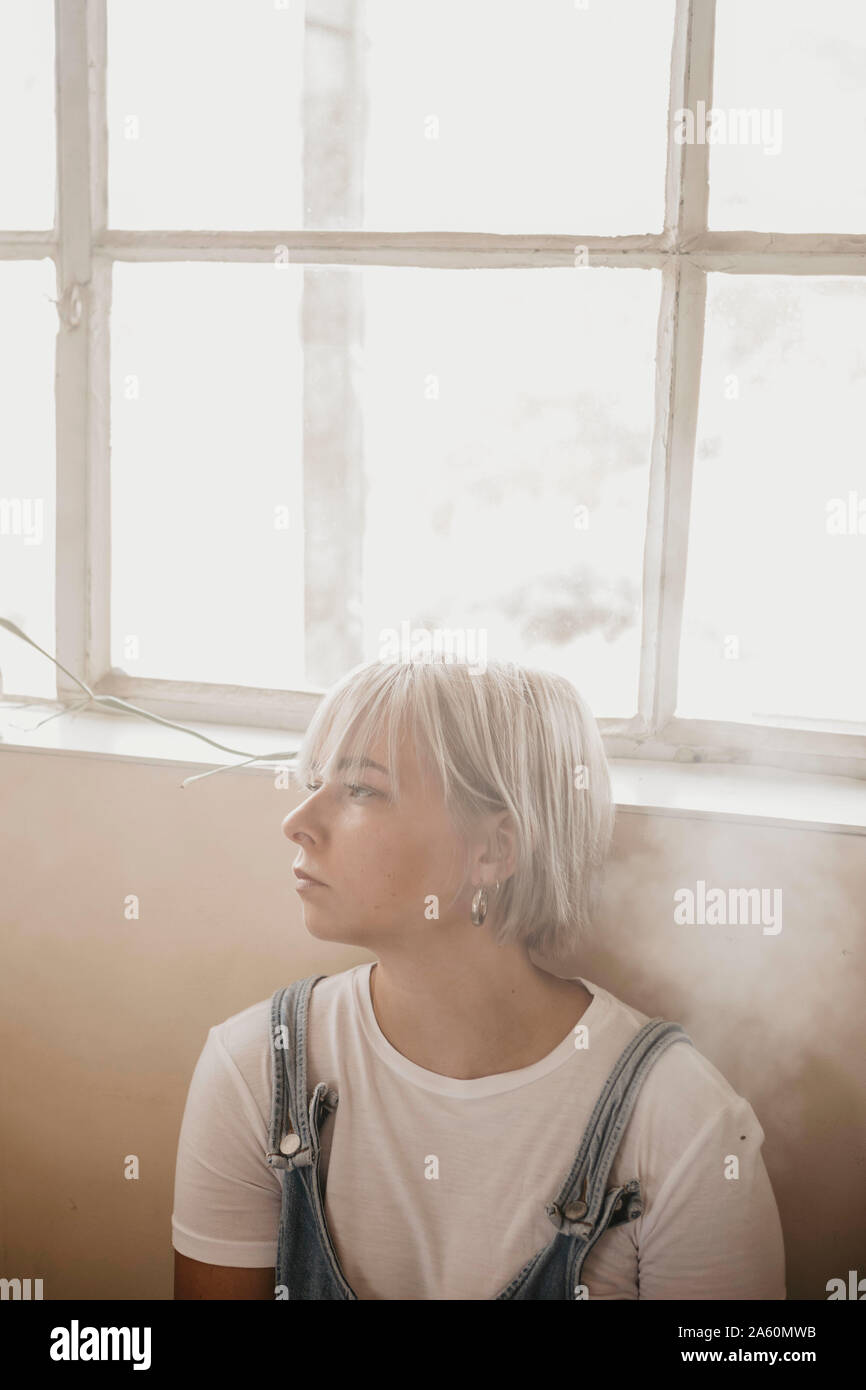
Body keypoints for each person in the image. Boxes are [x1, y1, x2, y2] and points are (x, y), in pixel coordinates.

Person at [172, 656, 786, 1300]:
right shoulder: (256, 1068)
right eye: (313, 782)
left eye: (360, 790)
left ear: (493, 850)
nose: (296, 822)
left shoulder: (683, 1122)